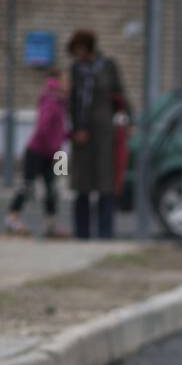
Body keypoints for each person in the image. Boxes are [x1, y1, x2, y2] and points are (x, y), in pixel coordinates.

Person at [66, 30, 128, 239]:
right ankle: (81, 233)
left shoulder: (108, 66)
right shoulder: (75, 70)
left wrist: (127, 120)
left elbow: (120, 95)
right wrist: (76, 129)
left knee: (105, 184)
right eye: (75, 52)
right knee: (82, 185)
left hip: (104, 133)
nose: (78, 55)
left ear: (89, 47)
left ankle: (105, 233)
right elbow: (72, 102)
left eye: (80, 50)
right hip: (81, 135)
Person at [4, 75, 67, 237]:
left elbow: (58, 131)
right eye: (66, 83)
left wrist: (70, 136)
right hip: (37, 151)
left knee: (53, 189)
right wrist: (54, 145)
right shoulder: (50, 102)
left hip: (56, 153)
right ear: (58, 86)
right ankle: (12, 220)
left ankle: (51, 225)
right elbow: (43, 128)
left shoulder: (62, 104)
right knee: (27, 186)